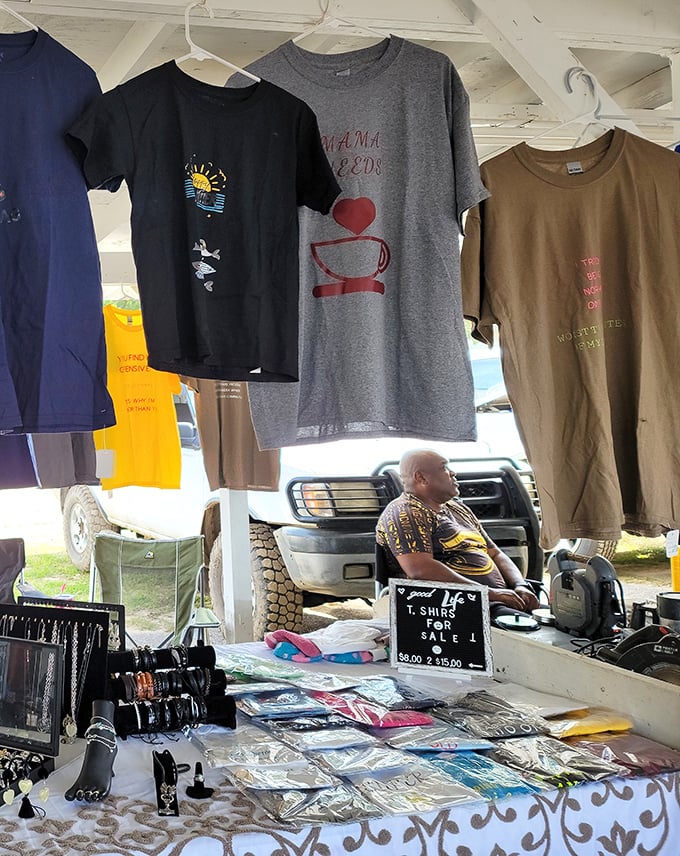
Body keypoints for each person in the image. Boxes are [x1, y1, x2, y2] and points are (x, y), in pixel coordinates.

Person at [376, 449, 540, 615]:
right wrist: (490, 593)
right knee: (538, 635)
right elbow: (420, 570)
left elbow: (495, 554)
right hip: (451, 607)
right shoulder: (404, 512)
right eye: (444, 468)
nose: (453, 472)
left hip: (494, 600)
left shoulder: (457, 509)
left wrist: (521, 585)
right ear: (421, 478)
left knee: (558, 621)